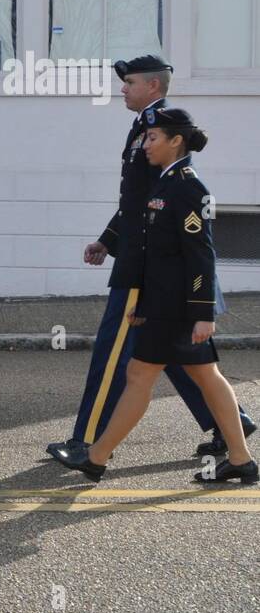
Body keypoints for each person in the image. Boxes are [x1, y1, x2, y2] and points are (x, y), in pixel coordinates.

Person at [49, 55, 255, 462]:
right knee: (173, 353)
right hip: (148, 261)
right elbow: (138, 202)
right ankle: (229, 422)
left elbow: (153, 205)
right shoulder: (147, 128)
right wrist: (109, 239)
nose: (122, 88)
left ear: (153, 88)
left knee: (114, 352)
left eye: (129, 83)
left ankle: (87, 442)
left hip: (146, 267)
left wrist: (121, 248)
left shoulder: (159, 128)